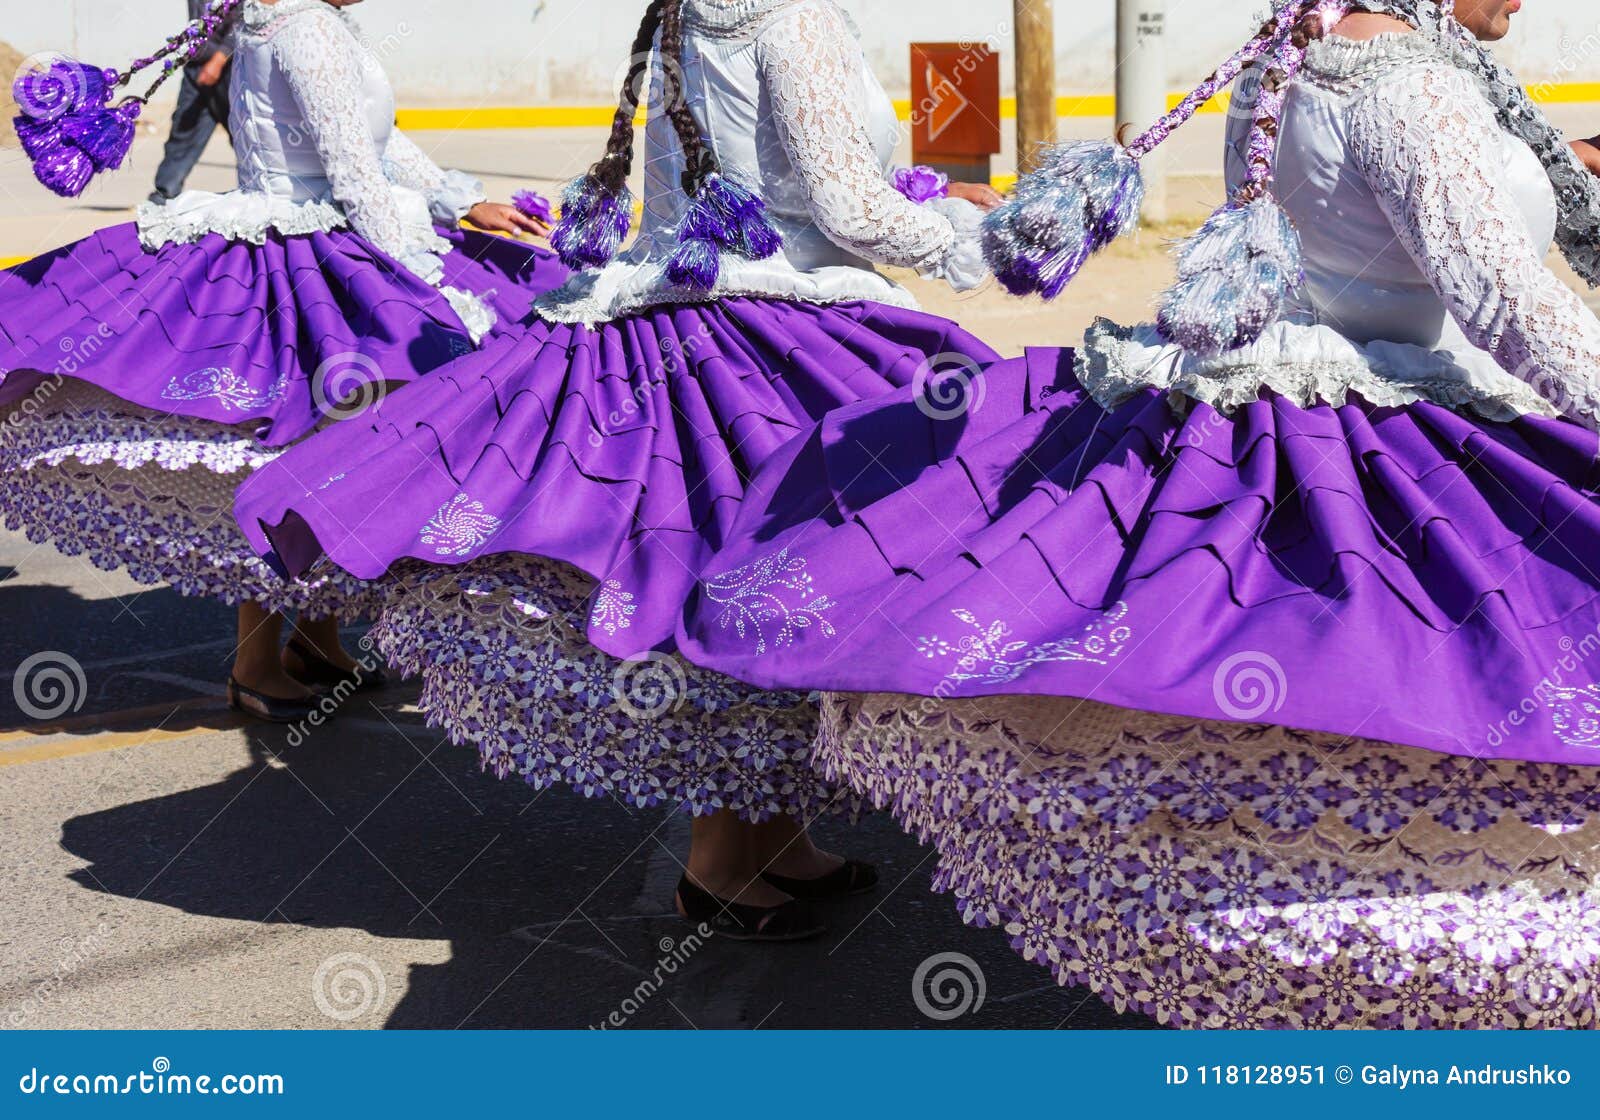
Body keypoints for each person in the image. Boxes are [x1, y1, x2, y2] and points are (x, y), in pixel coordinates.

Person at [676, 0, 1600, 1023]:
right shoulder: (1405, 80)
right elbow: (1506, 302)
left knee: (1293, 710)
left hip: (1304, 402)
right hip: (1387, 421)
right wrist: (975, 243)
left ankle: (1295, 972)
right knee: (1437, 692)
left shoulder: (1310, 40)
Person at [234, 0, 1001, 938]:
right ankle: (721, 862)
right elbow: (845, 209)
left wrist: (932, 198)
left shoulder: (695, 11)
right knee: (782, 572)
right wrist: (984, 240)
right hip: (774, 332)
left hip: (692, 317)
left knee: (736, 571)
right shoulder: (789, 18)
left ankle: (773, 838)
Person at [1, 0, 563, 723]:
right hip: (315, 256)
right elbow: (354, 174)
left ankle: (316, 640)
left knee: (327, 442)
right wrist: (426, 279)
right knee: (301, 454)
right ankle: (256, 663)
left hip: (297, 244)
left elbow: (374, 141)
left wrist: (463, 200)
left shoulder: (282, 17)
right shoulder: (306, 26)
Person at [149, 0, 241, 205]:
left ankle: (255, 192)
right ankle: (164, 195)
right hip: (197, 66)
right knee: (183, 131)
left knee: (244, 135)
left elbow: (243, 20)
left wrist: (219, 59)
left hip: (230, 68)